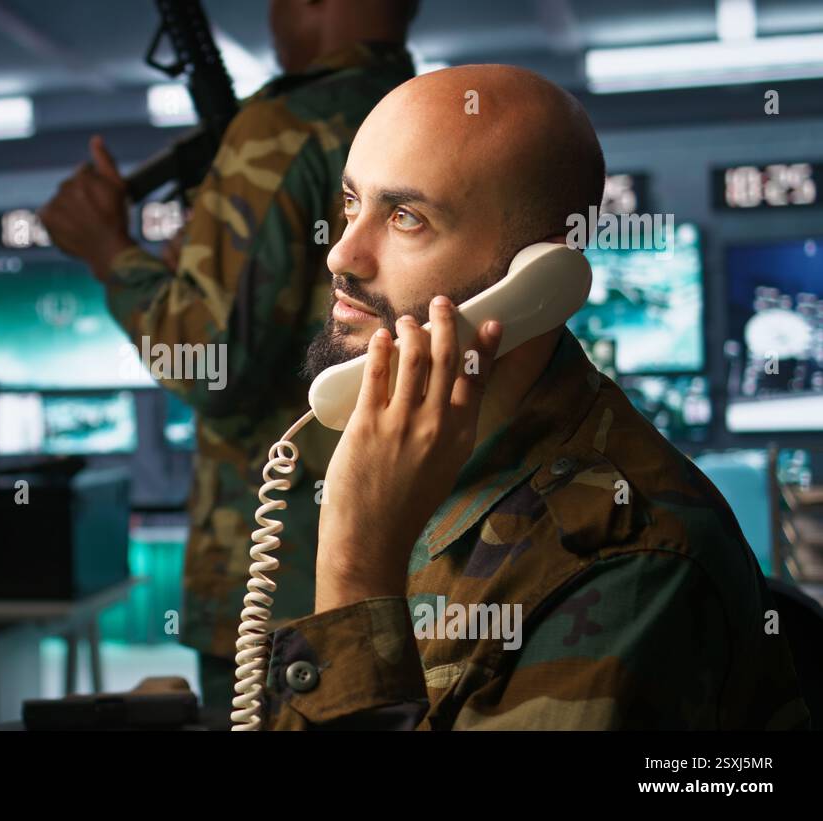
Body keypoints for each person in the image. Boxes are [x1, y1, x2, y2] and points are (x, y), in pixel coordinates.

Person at [259, 64, 809, 730]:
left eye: (406, 217)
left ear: (537, 280)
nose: (341, 255)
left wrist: (354, 570)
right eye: (352, 203)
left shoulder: (629, 563)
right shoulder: (418, 465)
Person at [39, 0, 420, 716]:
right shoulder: (419, 123)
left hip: (276, 576)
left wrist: (108, 251)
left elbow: (209, 363)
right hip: (390, 557)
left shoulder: (282, 126)